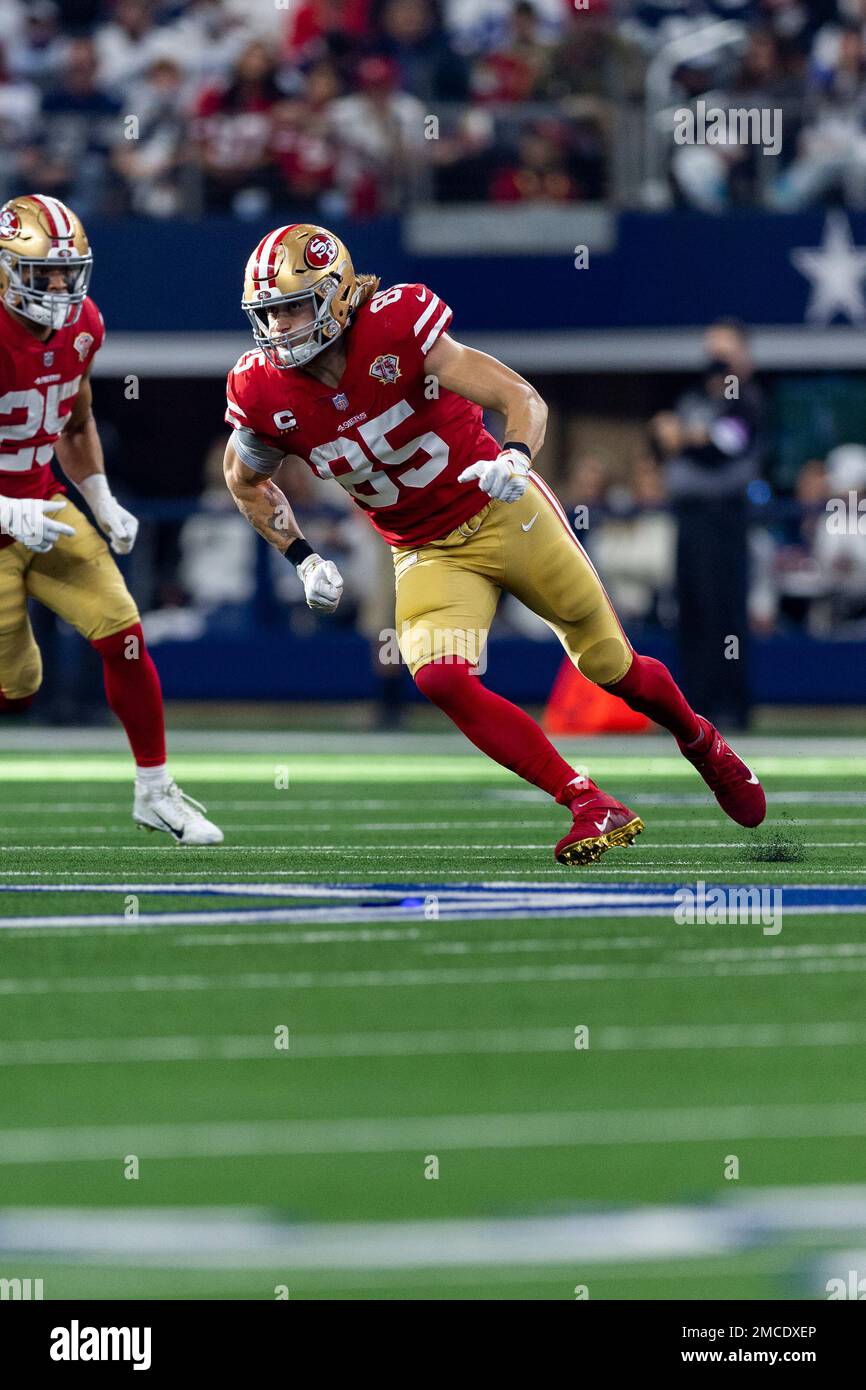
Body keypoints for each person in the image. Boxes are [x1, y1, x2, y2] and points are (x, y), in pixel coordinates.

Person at [222, 223, 765, 866]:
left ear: (337, 295)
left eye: (292, 307)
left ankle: (701, 740)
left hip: (502, 509)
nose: (280, 328)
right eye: (269, 313)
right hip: (425, 548)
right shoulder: (261, 389)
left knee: (610, 666)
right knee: (441, 679)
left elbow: (519, 397)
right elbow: (245, 479)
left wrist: (515, 455)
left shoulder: (397, 324)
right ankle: (587, 801)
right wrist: (301, 557)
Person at [0, 193, 222, 844]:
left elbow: (75, 417)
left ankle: (155, 791)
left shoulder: (83, 325)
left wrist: (99, 497)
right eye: (46, 275)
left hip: (46, 508)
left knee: (122, 632)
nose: (62, 287)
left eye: (70, 272)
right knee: (16, 692)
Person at [650, 318, 763, 729]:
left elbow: (724, 446)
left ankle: (729, 706)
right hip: (689, 516)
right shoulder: (695, 398)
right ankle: (692, 707)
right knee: (692, 608)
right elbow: (663, 438)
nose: (715, 361)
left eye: (724, 352)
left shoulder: (747, 398)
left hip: (723, 516)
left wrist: (685, 437)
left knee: (723, 610)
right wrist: (683, 435)